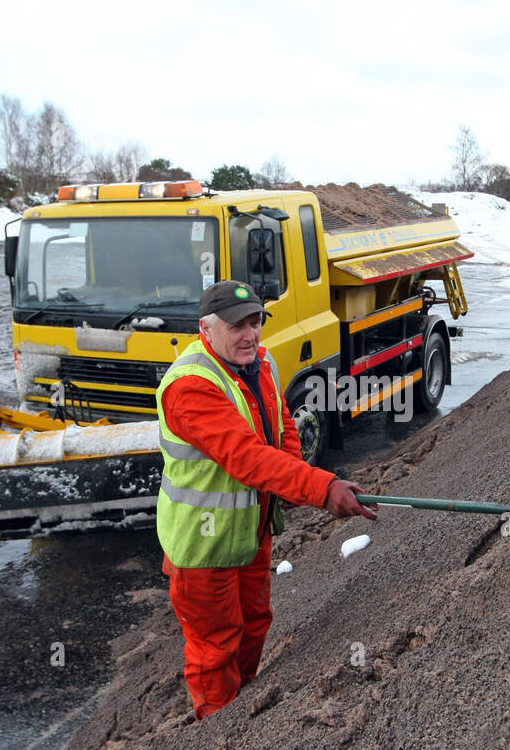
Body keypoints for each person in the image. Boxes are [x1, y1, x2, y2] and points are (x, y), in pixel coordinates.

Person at [155, 279, 377, 720]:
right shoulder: (190, 385)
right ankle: (217, 728)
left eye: (255, 322)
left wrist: (291, 480)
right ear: (206, 328)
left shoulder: (261, 362)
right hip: (203, 546)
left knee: (254, 625)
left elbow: (281, 427)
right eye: (237, 325)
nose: (250, 334)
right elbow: (246, 456)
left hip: (250, 533)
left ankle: (244, 704)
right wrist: (319, 487)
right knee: (215, 646)